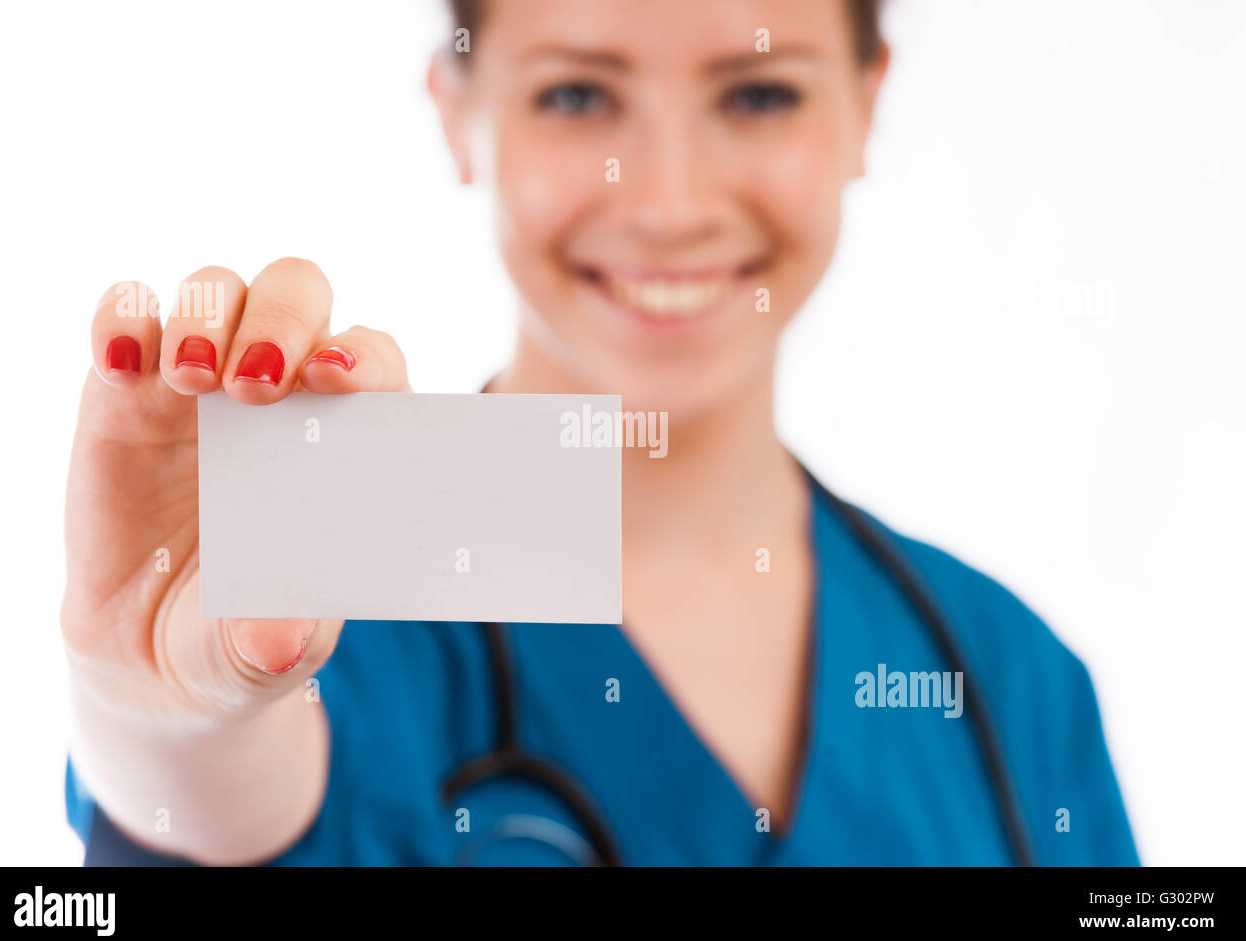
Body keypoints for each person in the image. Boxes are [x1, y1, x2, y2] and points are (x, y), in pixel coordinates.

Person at [62, 0, 1139, 865]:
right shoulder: (311, 601)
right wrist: (159, 717)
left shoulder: (1010, 679)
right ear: (455, 111)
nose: (668, 200)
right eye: (576, 94)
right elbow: (211, 805)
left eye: (760, 93)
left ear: (864, 107)